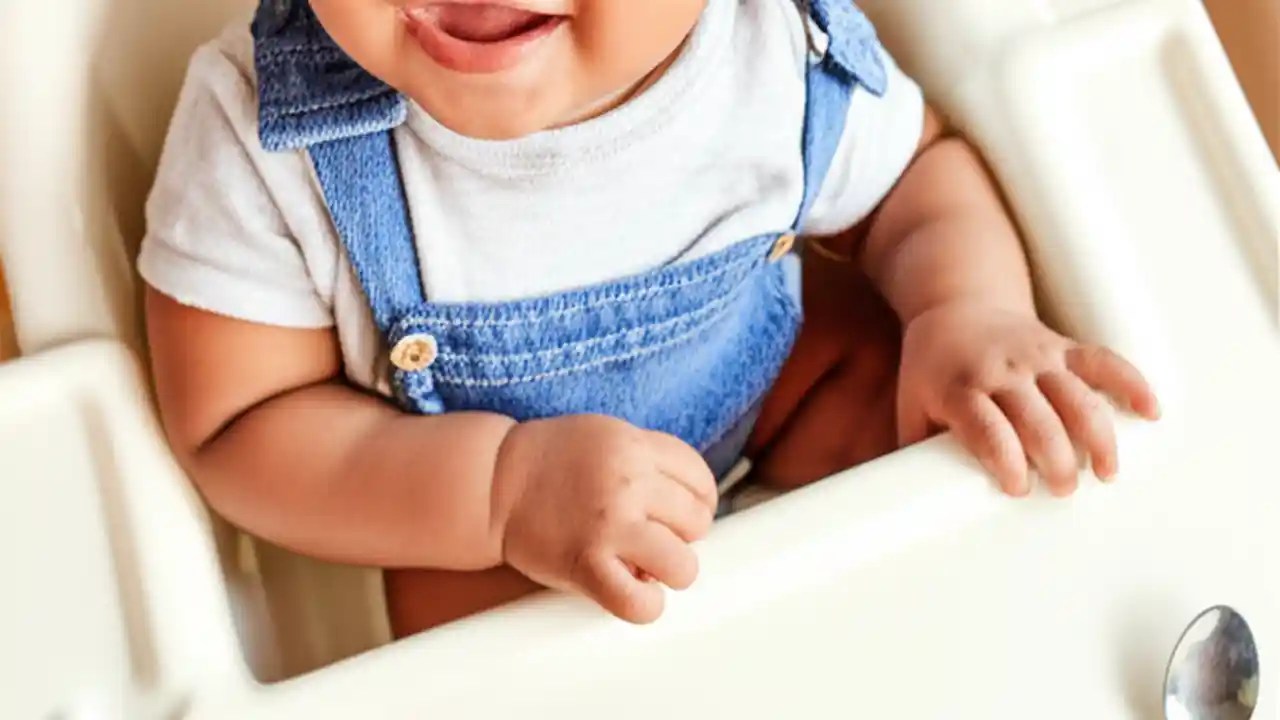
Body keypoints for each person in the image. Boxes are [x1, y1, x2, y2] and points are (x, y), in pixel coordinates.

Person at [140, 0, 1160, 636]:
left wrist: (965, 311)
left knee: (927, 426)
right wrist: (500, 493)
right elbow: (238, 425)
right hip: (507, 535)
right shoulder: (269, 137)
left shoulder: (773, 49)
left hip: (767, 393)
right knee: (479, 648)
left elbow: (916, 180)